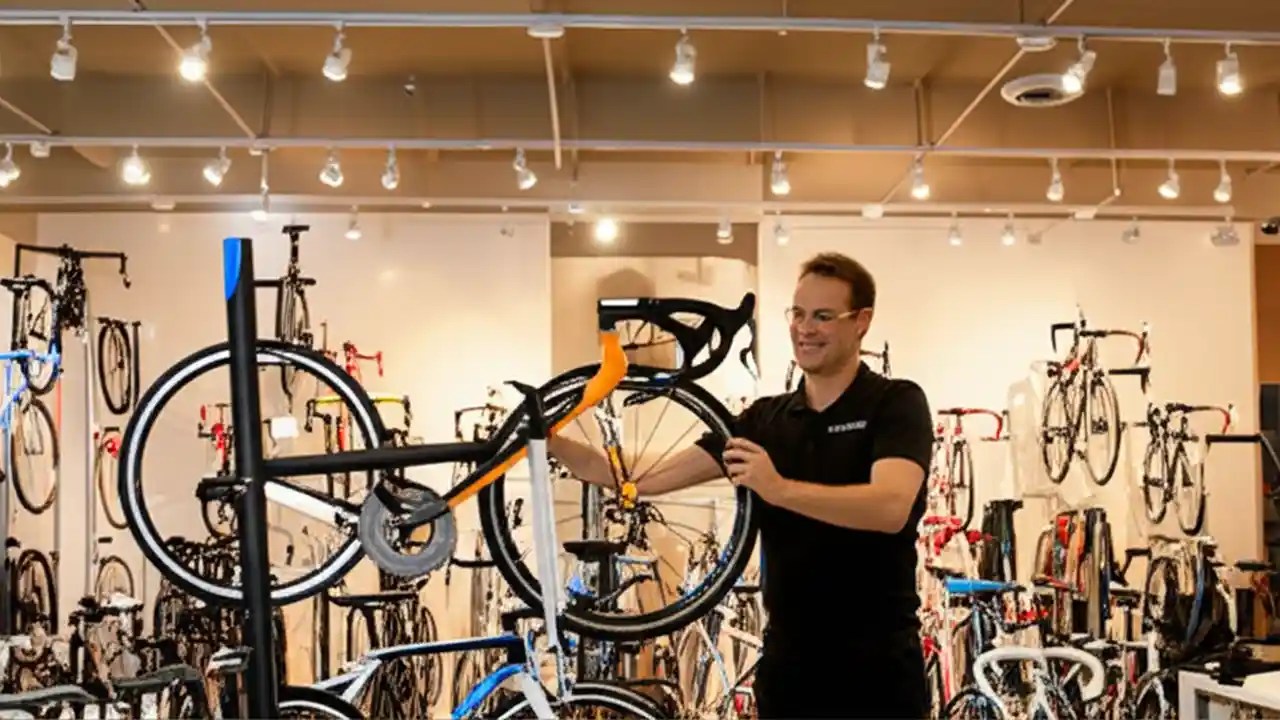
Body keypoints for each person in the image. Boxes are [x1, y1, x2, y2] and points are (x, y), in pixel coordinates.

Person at [548, 252, 933, 718]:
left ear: (862, 322)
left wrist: (780, 489)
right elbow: (641, 476)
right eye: (798, 314)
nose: (805, 329)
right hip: (790, 667)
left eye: (823, 317)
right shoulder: (764, 421)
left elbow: (889, 507)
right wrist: (550, 442)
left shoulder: (896, 403)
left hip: (878, 671)